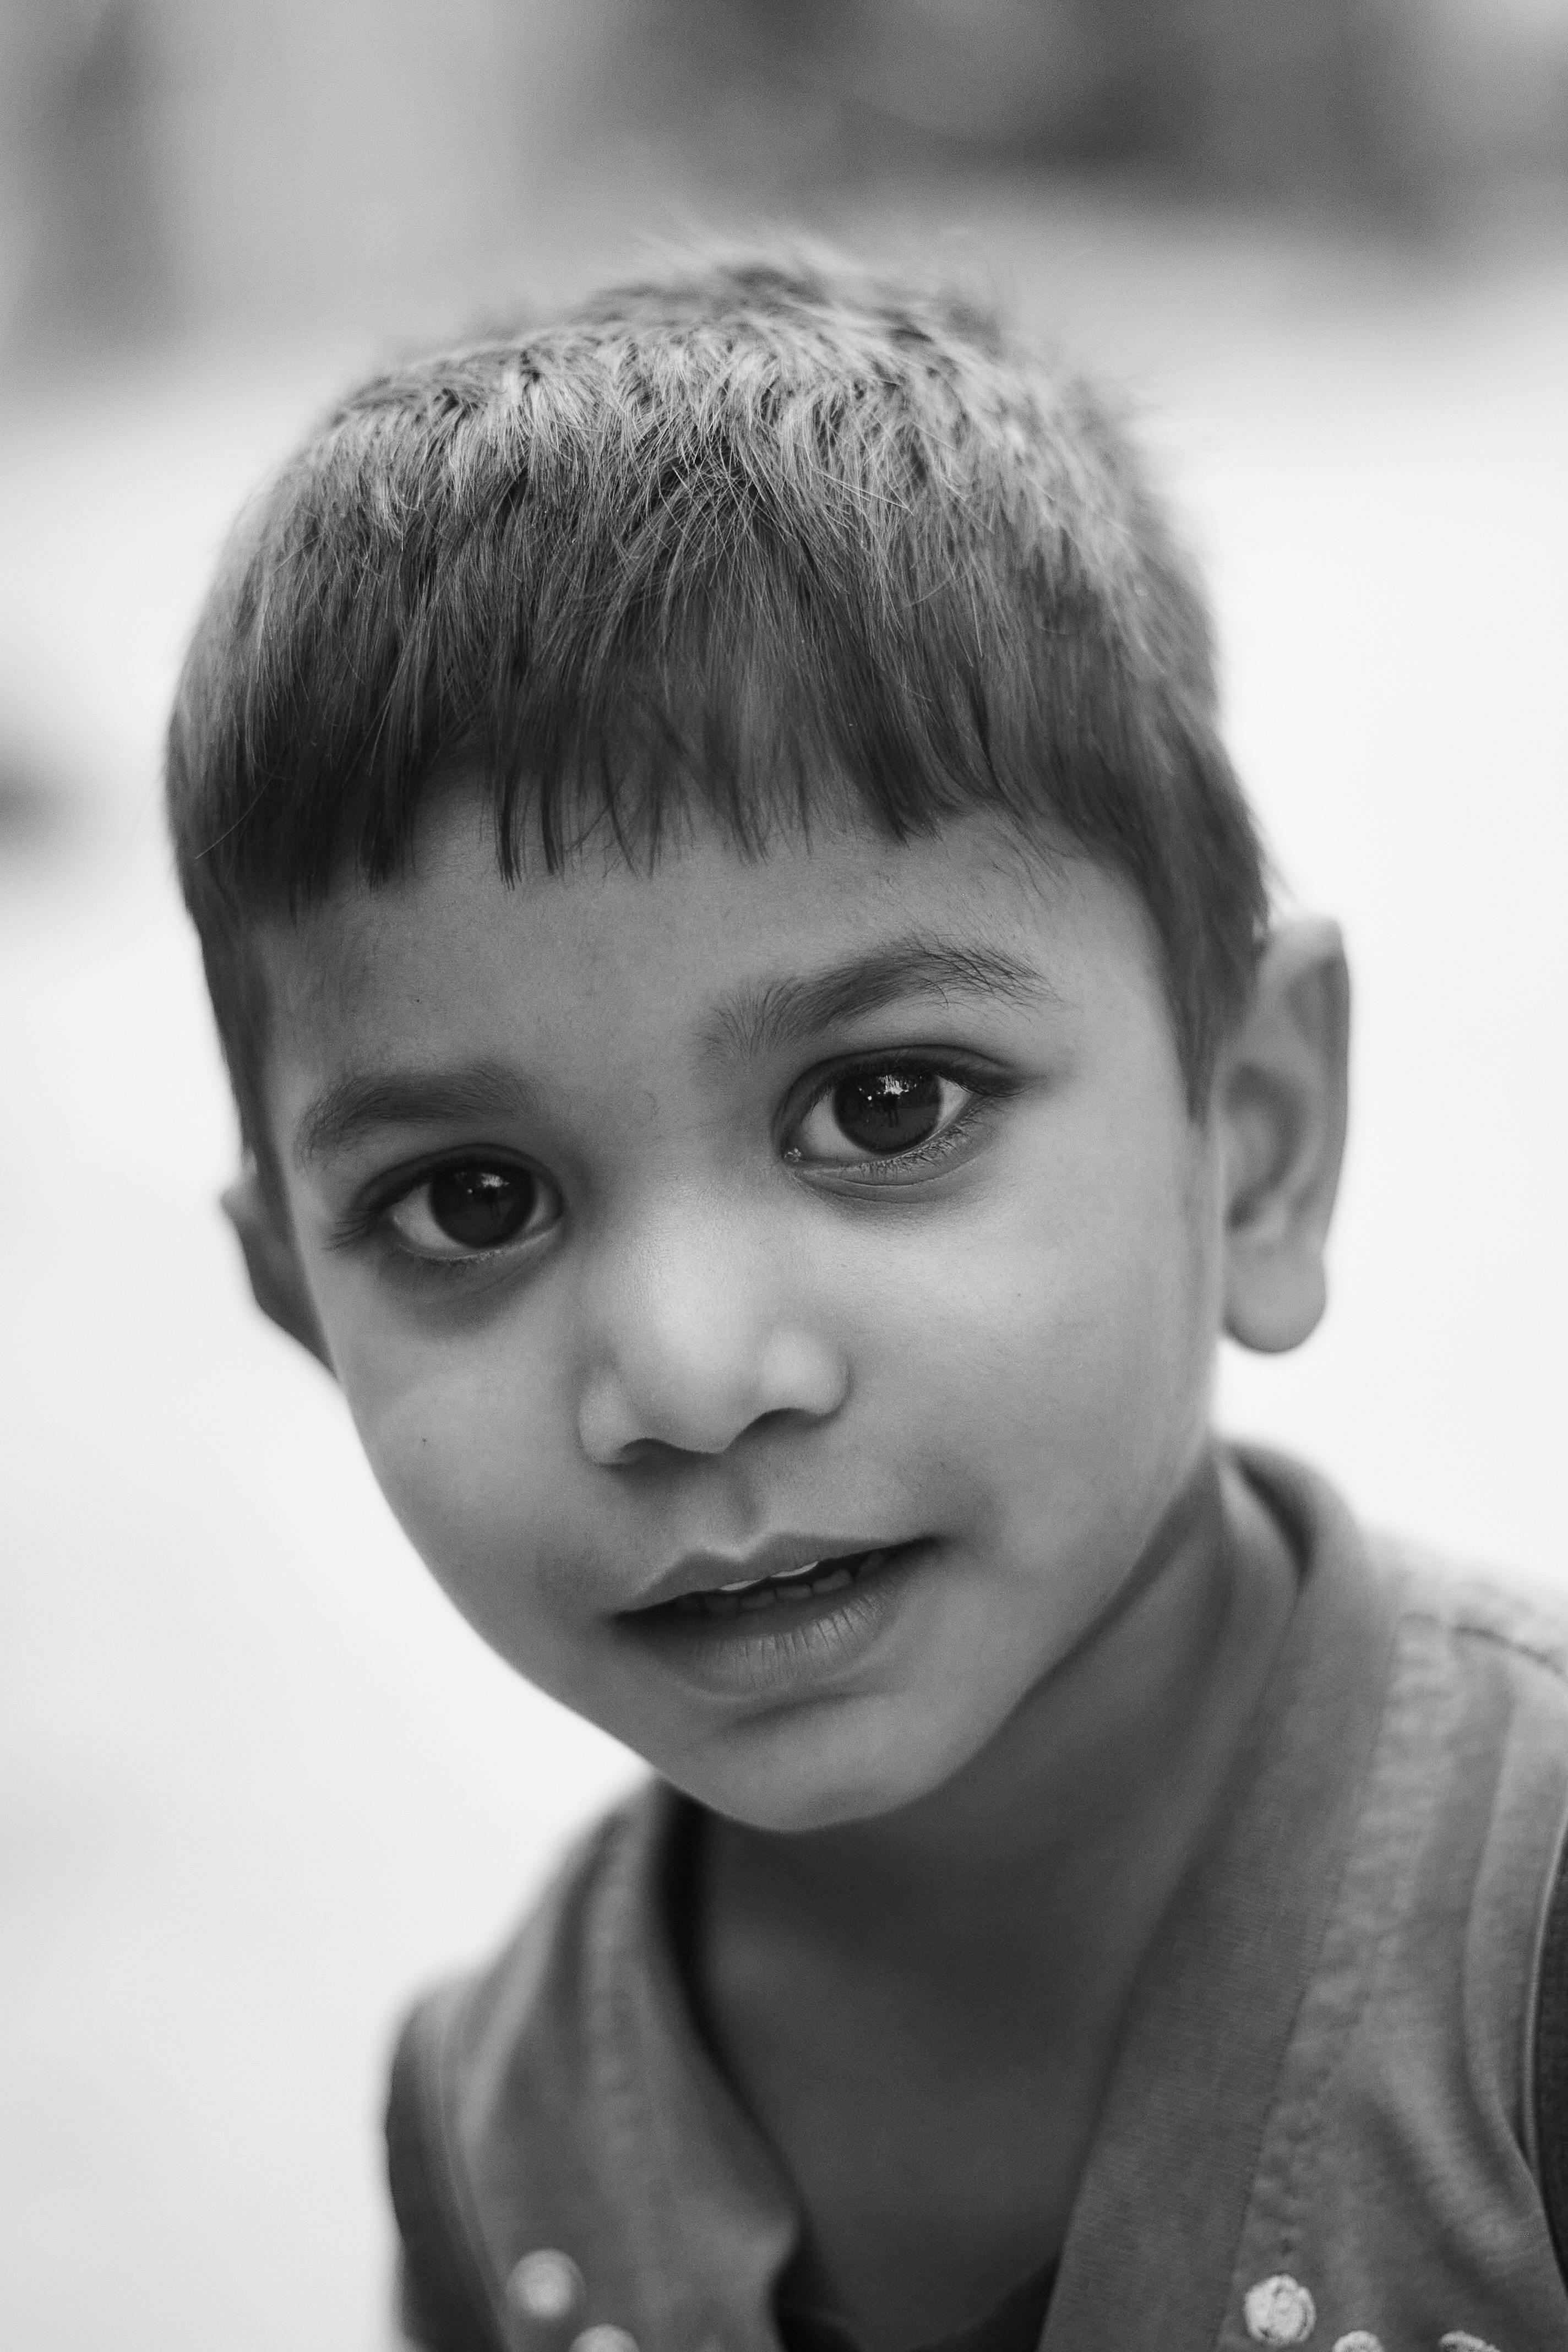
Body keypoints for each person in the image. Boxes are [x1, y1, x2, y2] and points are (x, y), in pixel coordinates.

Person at [166, 255, 1568, 2352]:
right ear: (303, 1308)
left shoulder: (1526, 1958)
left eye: (883, 1105)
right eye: (472, 1201)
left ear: (1255, 1134)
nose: (692, 1378)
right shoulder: (494, 2150)